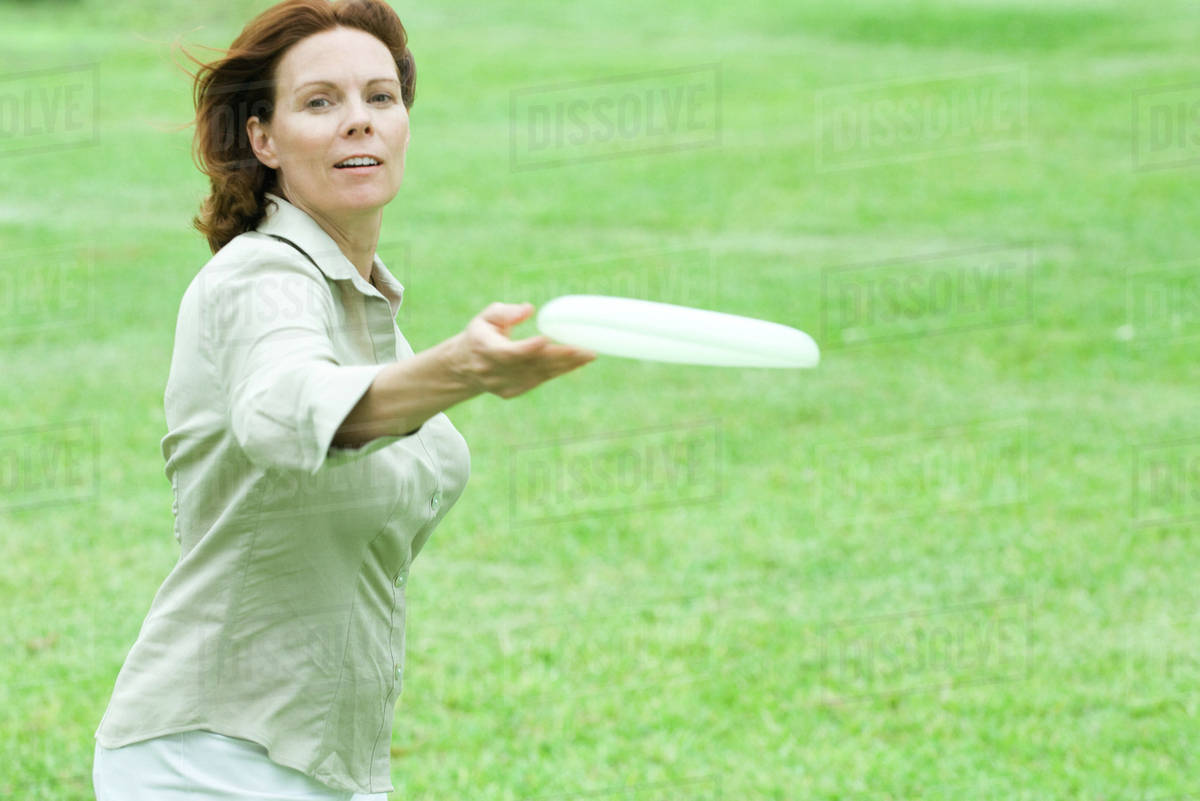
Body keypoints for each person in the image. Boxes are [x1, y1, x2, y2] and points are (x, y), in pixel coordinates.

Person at [91, 0, 595, 798]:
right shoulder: (257, 278)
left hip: (320, 760)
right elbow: (292, 407)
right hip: (214, 758)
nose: (359, 121)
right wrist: (460, 369)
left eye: (380, 97)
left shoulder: (360, 304)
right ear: (264, 138)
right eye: (320, 101)